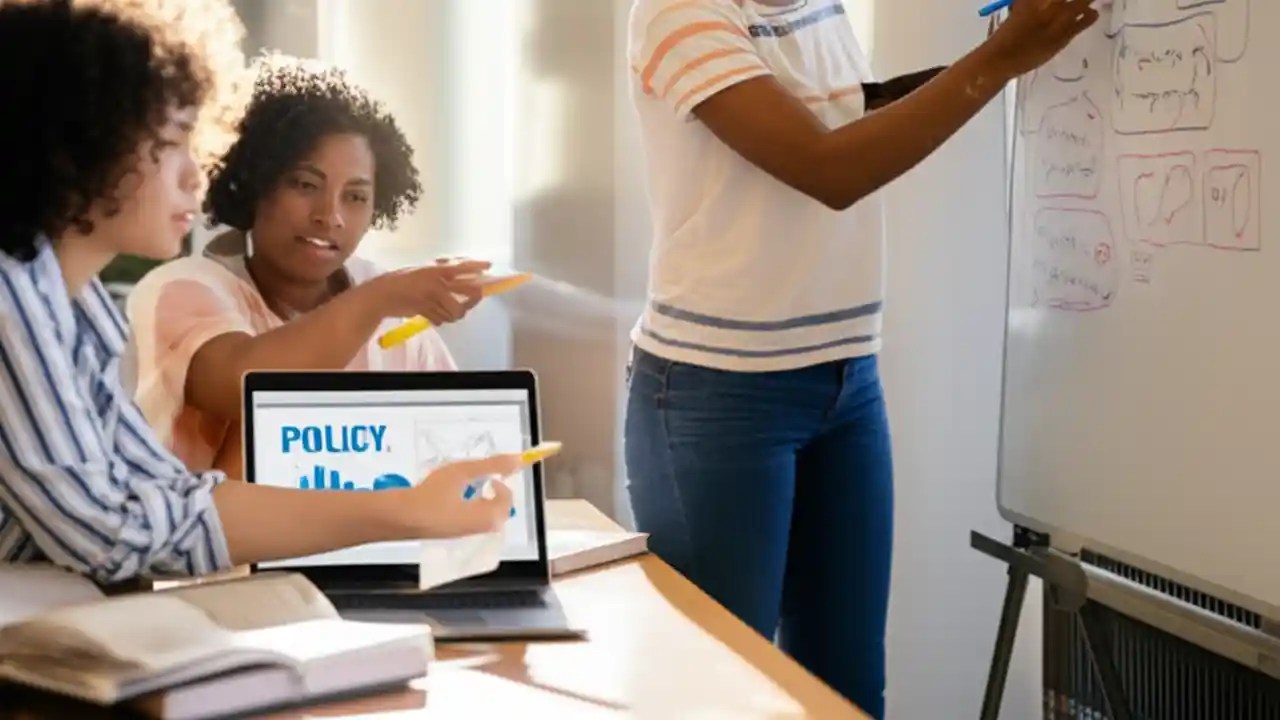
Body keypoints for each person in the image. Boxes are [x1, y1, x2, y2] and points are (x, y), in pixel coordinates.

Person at [622, 0, 1098, 716]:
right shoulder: (678, 12)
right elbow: (828, 167)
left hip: (846, 382)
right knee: (724, 695)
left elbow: (849, 113)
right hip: (718, 394)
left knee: (847, 692)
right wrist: (998, 60)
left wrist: (1016, 57)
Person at [0, 0, 521, 586]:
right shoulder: (14, 305)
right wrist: (405, 511)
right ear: (78, 147)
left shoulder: (78, 306)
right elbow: (115, 534)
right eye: (169, 143)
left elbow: (161, 495)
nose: (195, 174)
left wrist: (416, 509)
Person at [125, 55, 489, 477]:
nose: (329, 216)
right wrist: (379, 300)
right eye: (305, 185)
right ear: (256, 184)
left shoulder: (394, 314)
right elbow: (248, 389)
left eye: (355, 197)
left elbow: (457, 454)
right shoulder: (180, 289)